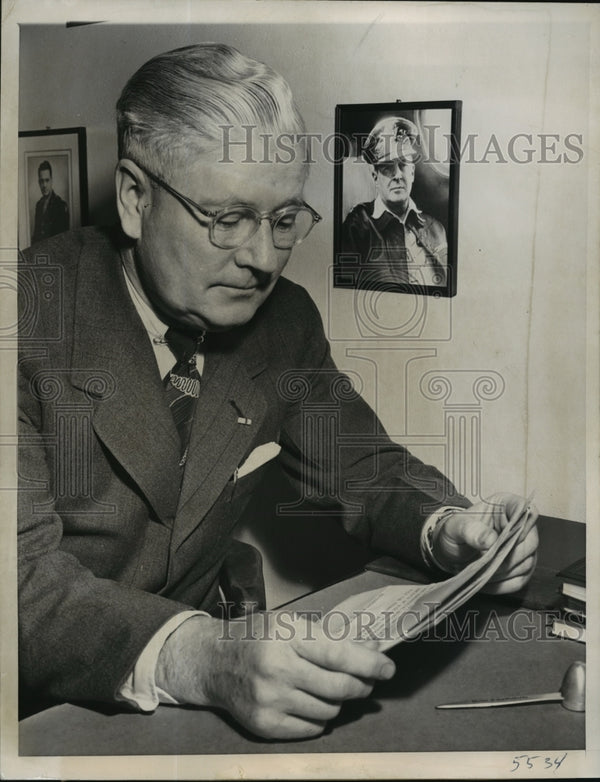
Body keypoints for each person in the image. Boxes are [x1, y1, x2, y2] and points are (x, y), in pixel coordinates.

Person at [18, 43, 539, 741]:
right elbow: (17, 582)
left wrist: (451, 531)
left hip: (186, 714)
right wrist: (199, 655)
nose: (263, 259)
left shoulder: (280, 320)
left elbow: (365, 466)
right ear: (136, 199)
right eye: (228, 219)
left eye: (284, 220)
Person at [341, 117, 447, 287]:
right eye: (387, 167)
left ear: (412, 172)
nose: (397, 175)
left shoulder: (436, 228)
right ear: (375, 176)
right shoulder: (358, 227)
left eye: (403, 165)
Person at [31, 160, 69, 244]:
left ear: (52, 180)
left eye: (47, 180)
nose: (44, 185)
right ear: (38, 183)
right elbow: (35, 236)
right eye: (41, 181)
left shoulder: (61, 206)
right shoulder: (38, 205)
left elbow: (63, 241)